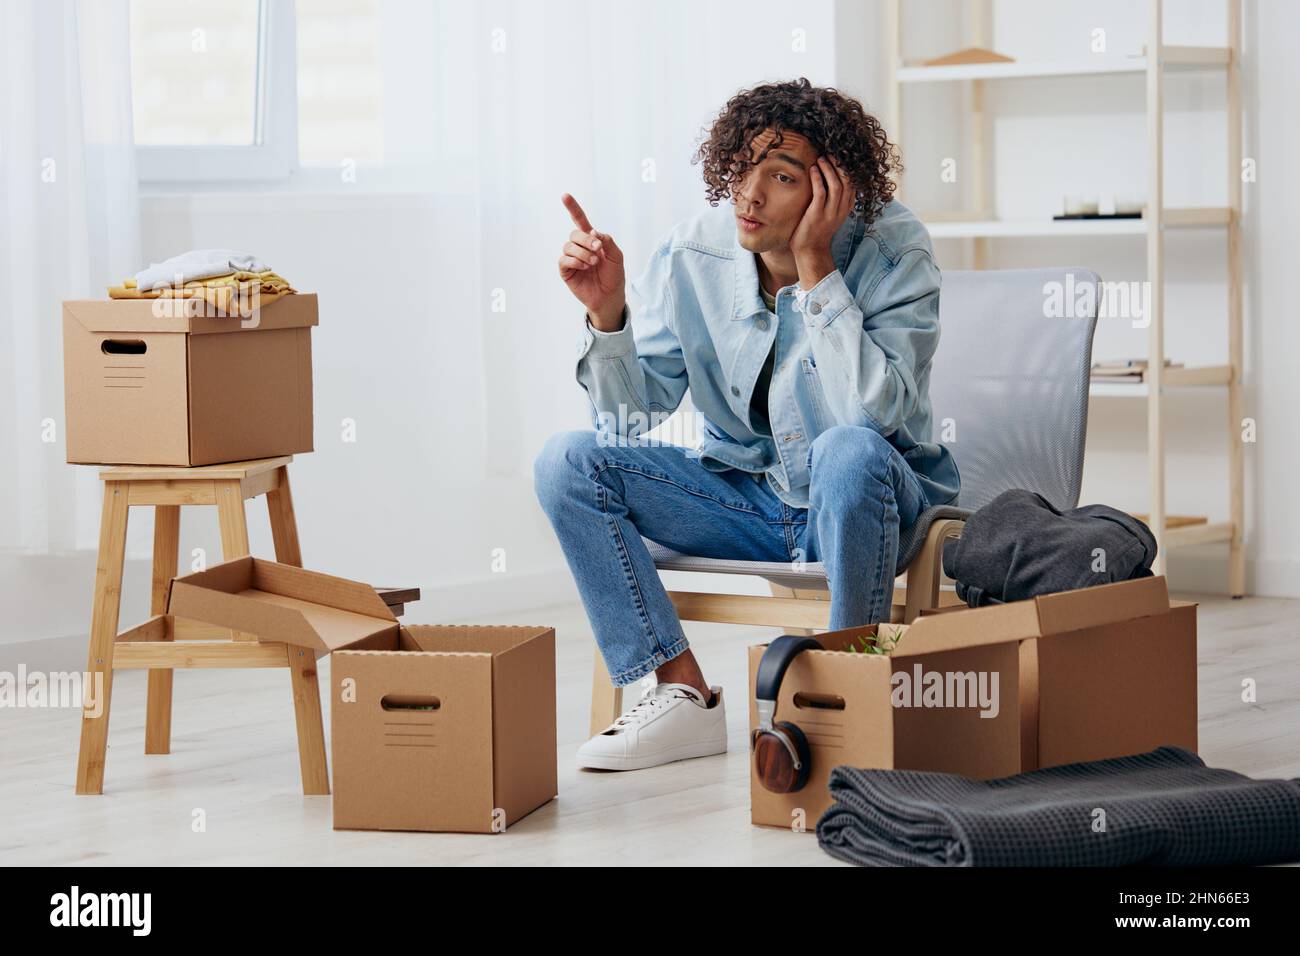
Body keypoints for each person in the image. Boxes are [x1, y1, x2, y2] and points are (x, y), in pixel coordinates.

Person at [534, 78, 959, 771]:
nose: (749, 196)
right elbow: (626, 419)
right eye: (741, 169)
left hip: (868, 502)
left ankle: (845, 693)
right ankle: (682, 695)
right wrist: (608, 314)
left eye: (781, 176)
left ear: (834, 189)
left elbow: (872, 416)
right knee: (566, 462)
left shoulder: (894, 250)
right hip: (744, 501)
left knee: (848, 451)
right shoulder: (692, 254)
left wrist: (817, 272)